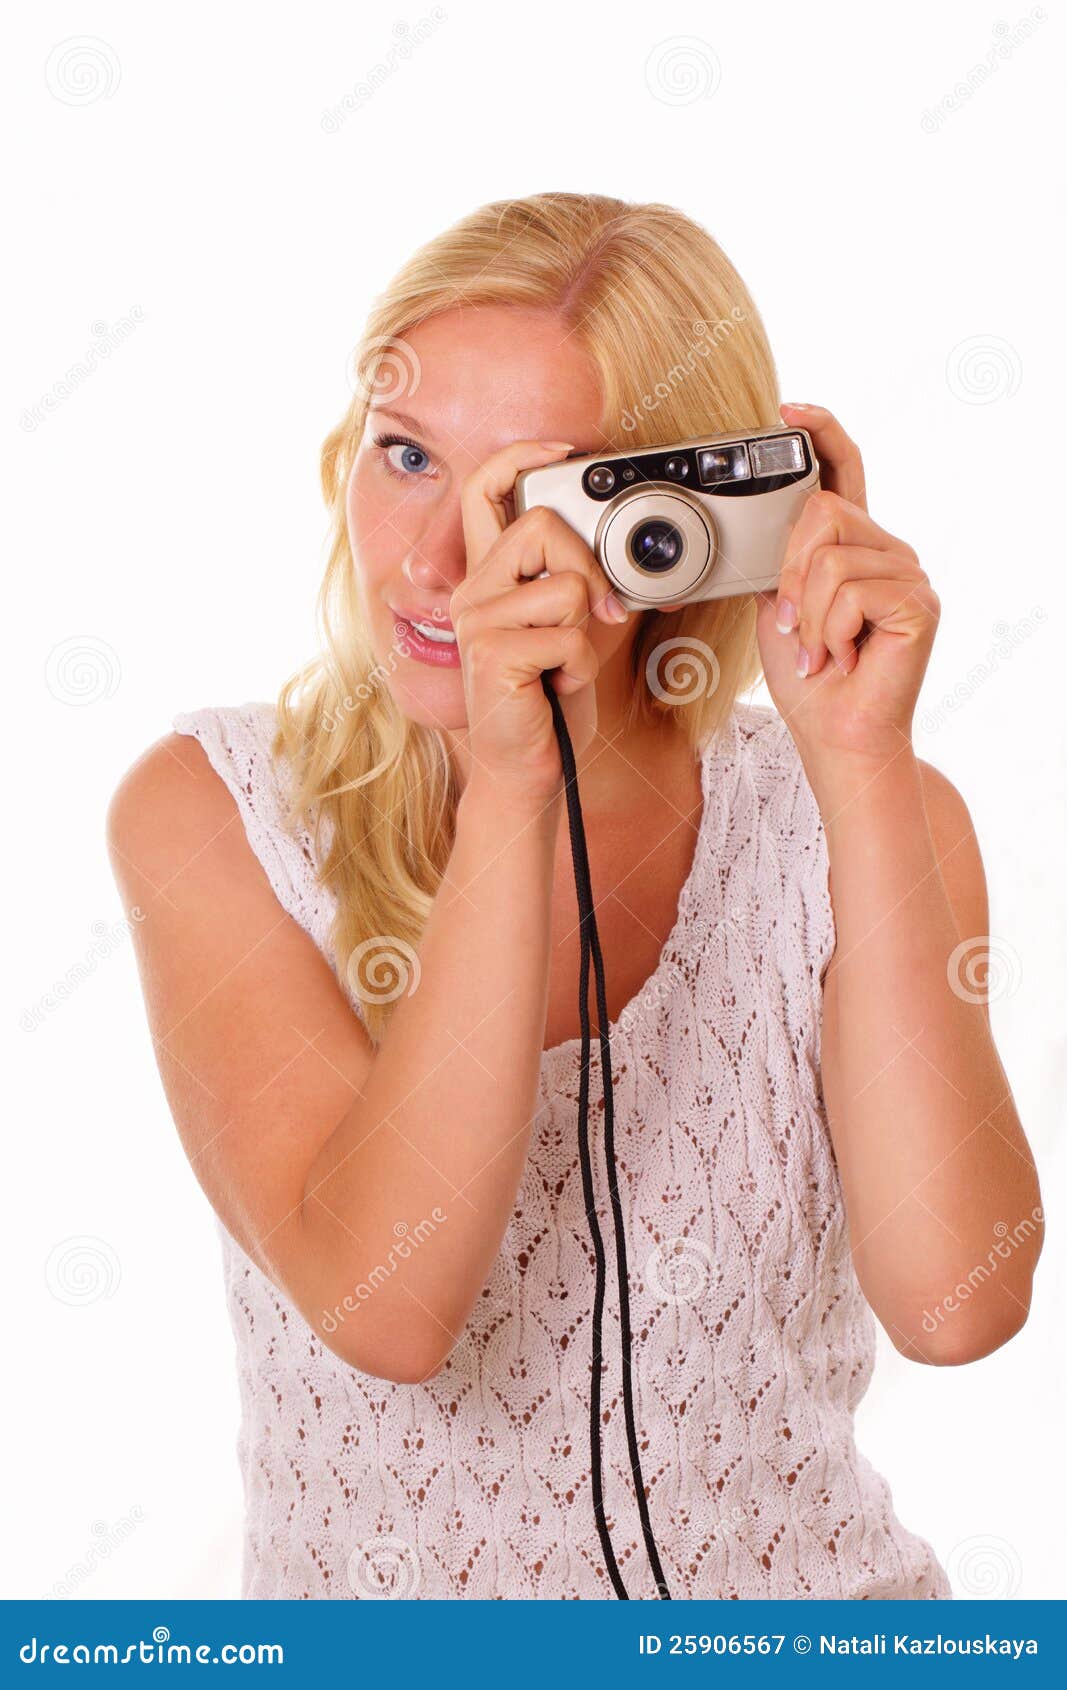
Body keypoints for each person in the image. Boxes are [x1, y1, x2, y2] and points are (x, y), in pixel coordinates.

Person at [106, 191, 1043, 1600]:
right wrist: (511, 793)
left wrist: (860, 768)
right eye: (406, 457)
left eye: (535, 499)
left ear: (681, 525)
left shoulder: (855, 815)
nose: (434, 563)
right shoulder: (212, 808)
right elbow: (388, 1306)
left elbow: (959, 1301)